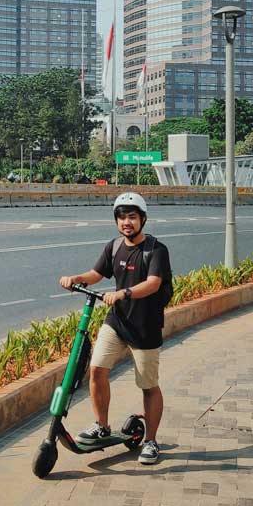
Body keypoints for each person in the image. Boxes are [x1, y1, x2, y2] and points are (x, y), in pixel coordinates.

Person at [59, 191, 171, 465]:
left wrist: (124, 293)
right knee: (97, 369)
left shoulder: (156, 250)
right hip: (117, 322)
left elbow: (154, 283)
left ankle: (151, 441)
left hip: (144, 328)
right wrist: (77, 278)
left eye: (132, 217)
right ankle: (102, 425)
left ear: (143, 219)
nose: (126, 223)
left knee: (148, 386)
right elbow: (96, 274)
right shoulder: (113, 247)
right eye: (122, 218)